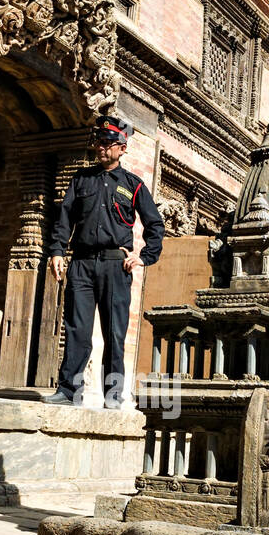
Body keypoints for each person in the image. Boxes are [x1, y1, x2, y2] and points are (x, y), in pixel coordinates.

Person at [44, 113, 164, 408]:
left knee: (114, 332)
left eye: (108, 143)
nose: (101, 147)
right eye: (99, 141)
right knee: (76, 329)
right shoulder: (81, 180)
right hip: (82, 264)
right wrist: (58, 251)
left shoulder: (133, 184)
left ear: (122, 148)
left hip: (115, 266)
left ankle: (113, 395)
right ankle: (69, 391)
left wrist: (143, 256)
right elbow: (64, 218)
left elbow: (155, 225)